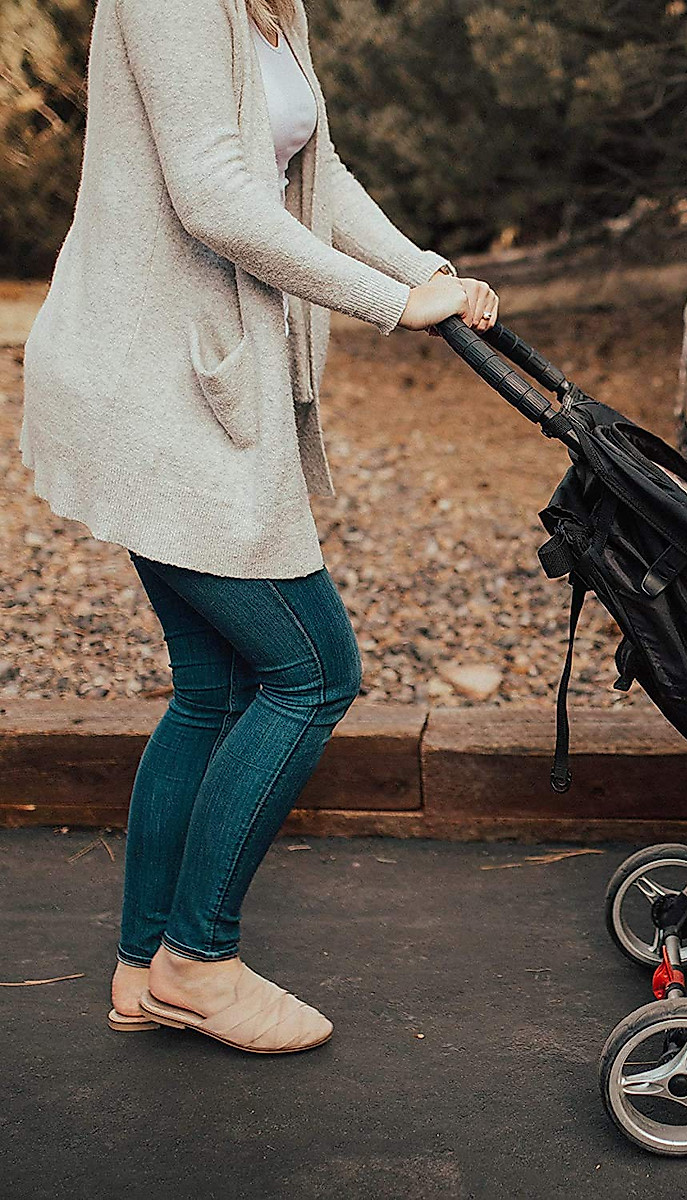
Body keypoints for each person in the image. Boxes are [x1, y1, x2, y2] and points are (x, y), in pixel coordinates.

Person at [19, 0, 498, 1054]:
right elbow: (215, 196)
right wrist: (387, 302)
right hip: (155, 385)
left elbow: (313, 173)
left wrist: (420, 269)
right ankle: (198, 963)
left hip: (191, 383)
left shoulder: (271, 5)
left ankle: (144, 968)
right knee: (313, 672)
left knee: (216, 688)